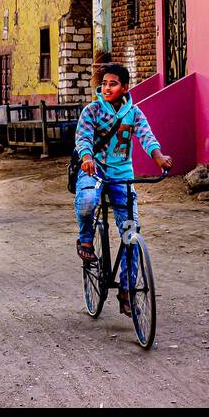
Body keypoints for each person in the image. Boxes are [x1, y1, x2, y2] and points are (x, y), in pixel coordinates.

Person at [73, 62, 172, 315]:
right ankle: (86, 240)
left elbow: (146, 136)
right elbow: (83, 137)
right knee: (87, 201)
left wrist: (158, 156)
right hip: (92, 169)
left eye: (113, 84)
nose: (107, 88)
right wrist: (86, 156)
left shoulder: (134, 113)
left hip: (121, 175)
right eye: (104, 83)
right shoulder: (92, 110)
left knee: (131, 234)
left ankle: (127, 290)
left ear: (124, 87)